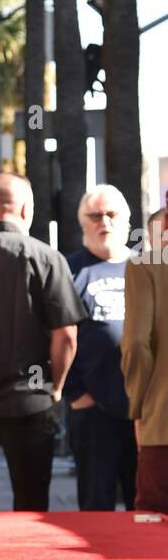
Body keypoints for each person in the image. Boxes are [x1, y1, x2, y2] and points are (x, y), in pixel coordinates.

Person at [0, 173, 86, 511]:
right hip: (29, 402)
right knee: (31, 510)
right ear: (26, 209)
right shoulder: (46, 257)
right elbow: (67, 336)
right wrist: (56, 387)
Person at [63, 185, 137, 509]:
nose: (104, 221)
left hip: (144, 411)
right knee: (96, 508)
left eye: (112, 214)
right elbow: (51, 337)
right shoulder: (69, 270)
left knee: (148, 508)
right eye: (95, 215)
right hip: (93, 412)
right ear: (83, 223)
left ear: (127, 222)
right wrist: (76, 394)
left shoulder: (148, 269)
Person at [122, 204, 168, 512]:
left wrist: (138, 406)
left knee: (152, 525)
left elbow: (137, 343)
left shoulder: (146, 265)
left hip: (162, 420)